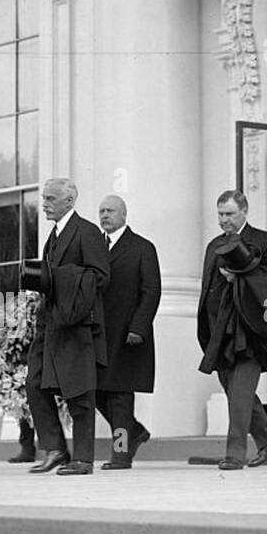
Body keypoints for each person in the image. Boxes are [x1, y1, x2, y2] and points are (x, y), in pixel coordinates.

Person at [196, 189, 267, 470]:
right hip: (220, 331)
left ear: (245, 211)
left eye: (230, 214)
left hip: (252, 330)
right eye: (220, 214)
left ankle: (235, 454)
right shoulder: (213, 246)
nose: (224, 220)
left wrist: (243, 275)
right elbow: (208, 290)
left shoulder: (265, 242)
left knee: (240, 393)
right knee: (235, 391)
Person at [25, 177, 109, 475]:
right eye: (44, 198)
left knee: (79, 392)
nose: (44, 203)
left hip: (76, 323)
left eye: (50, 199)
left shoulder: (87, 232)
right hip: (50, 323)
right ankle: (56, 449)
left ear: (69, 201)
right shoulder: (55, 234)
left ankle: (84, 459)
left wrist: (58, 278)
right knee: (34, 385)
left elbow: (100, 275)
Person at [94, 194, 161, 470]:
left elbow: (151, 291)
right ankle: (133, 432)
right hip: (98, 335)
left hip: (128, 335)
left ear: (123, 215)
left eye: (110, 211)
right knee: (95, 392)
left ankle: (121, 453)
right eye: (101, 211)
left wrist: (138, 328)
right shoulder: (94, 246)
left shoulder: (142, 247)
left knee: (120, 397)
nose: (104, 215)